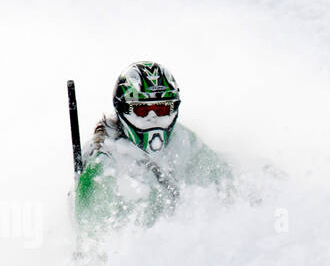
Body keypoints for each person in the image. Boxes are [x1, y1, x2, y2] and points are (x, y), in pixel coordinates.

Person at [75, 61, 231, 242]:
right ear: (123, 109)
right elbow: (92, 237)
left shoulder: (184, 142)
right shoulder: (104, 166)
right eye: (142, 111)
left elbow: (222, 178)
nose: (153, 119)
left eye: (161, 109)